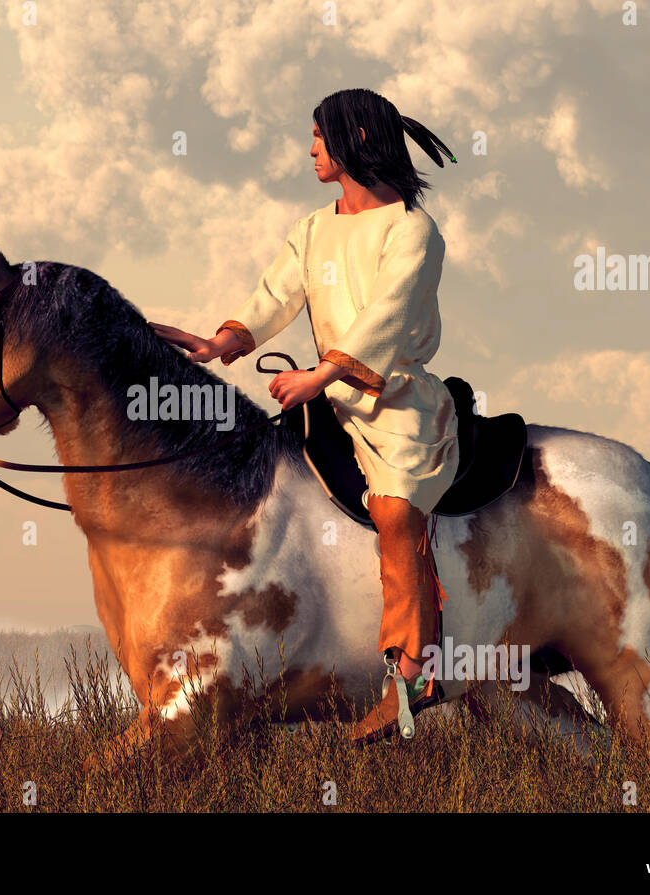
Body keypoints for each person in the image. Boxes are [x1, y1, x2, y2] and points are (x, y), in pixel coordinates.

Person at [152, 88, 459, 744]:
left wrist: (324, 371)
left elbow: (389, 316)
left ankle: (409, 677)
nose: (312, 148)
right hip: (324, 398)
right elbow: (275, 295)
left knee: (396, 511)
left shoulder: (413, 230)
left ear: (358, 142)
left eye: (320, 136)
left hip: (394, 399)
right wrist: (222, 343)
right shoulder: (315, 229)